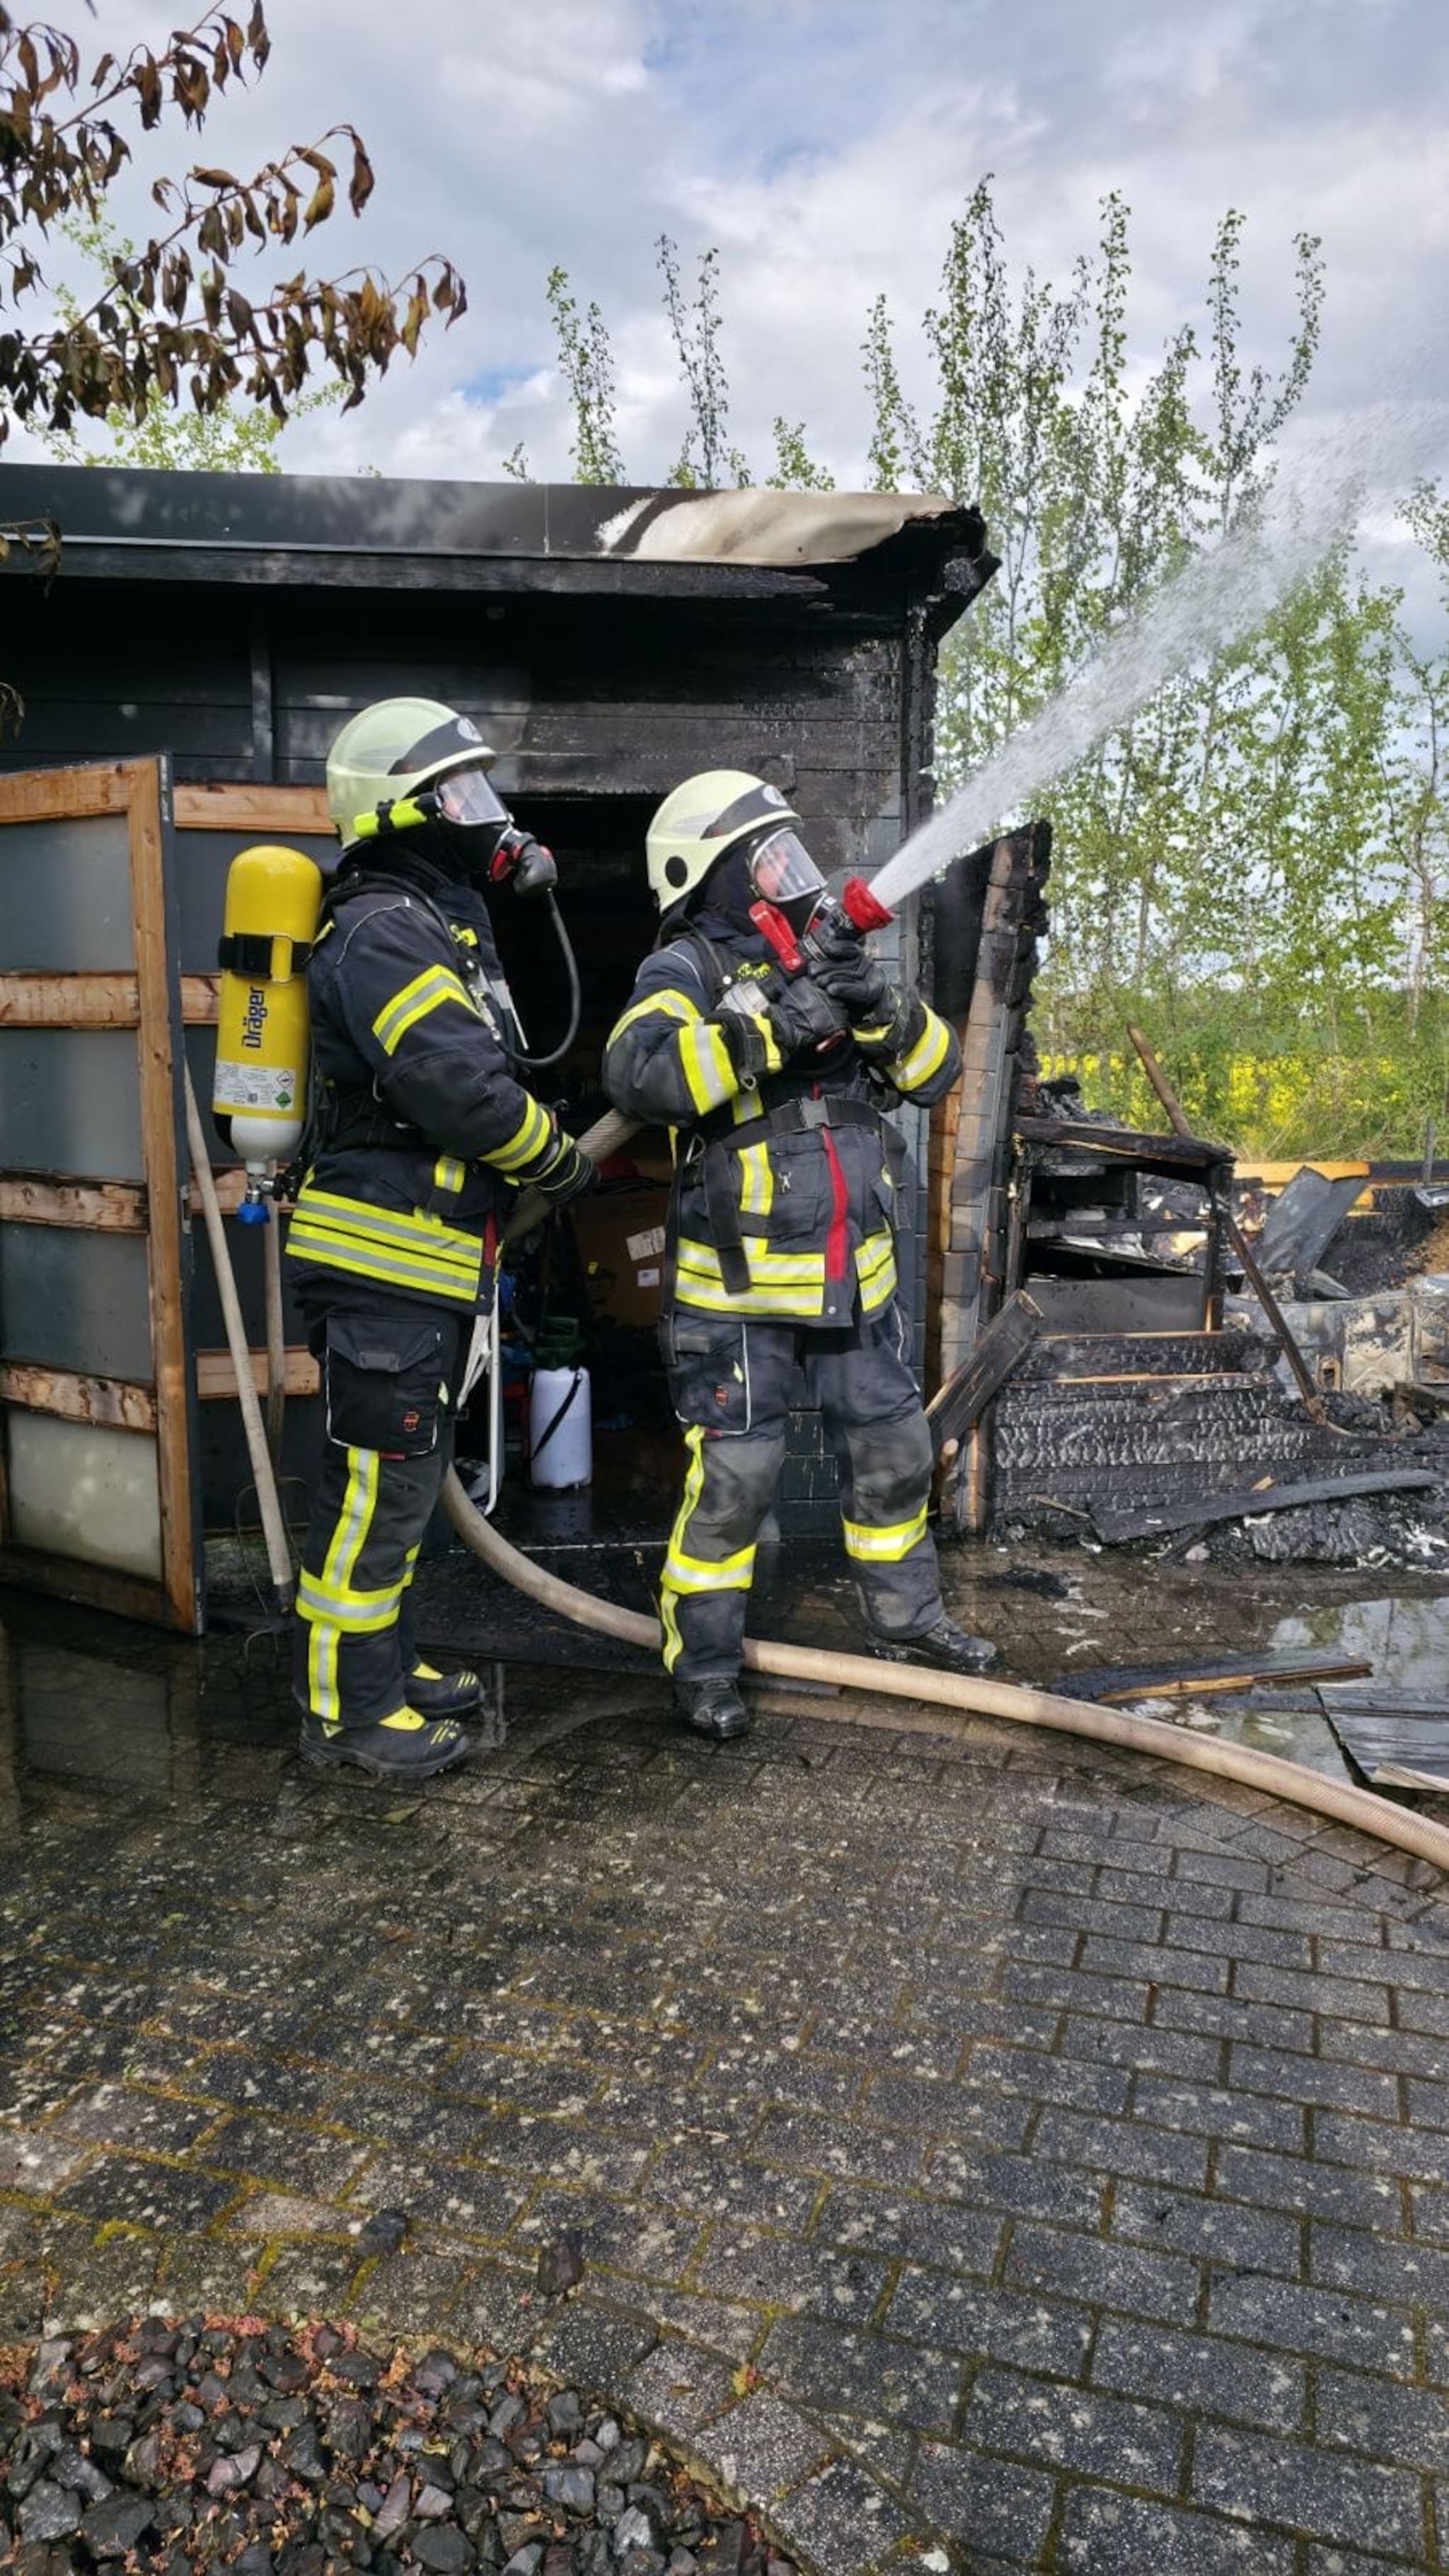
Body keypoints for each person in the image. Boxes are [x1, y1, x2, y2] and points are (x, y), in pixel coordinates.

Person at [602, 769, 999, 1743]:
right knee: (735, 1485)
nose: (793, 874)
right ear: (714, 875)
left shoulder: (833, 955)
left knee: (897, 1456)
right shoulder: (686, 966)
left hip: (853, 1286)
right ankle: (704, 1667)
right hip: (737, 1303)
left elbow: (936, 1071)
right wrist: (765, 1030)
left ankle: (907, 1624)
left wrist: (878, 1003)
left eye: (792, 852)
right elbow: (638, 1072)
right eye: (768, 858)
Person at [287, 697, 596, 1781]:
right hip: (385, 1269)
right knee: (375, 1498)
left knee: (407, 1493)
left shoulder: (433, 921)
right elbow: (456, 1087)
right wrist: (557, 1159)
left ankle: (389, 1663)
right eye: (458, 793)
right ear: (398, 811)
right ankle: (349, 1710)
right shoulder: (384, 929)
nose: (485, 812)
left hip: (425, 1269)